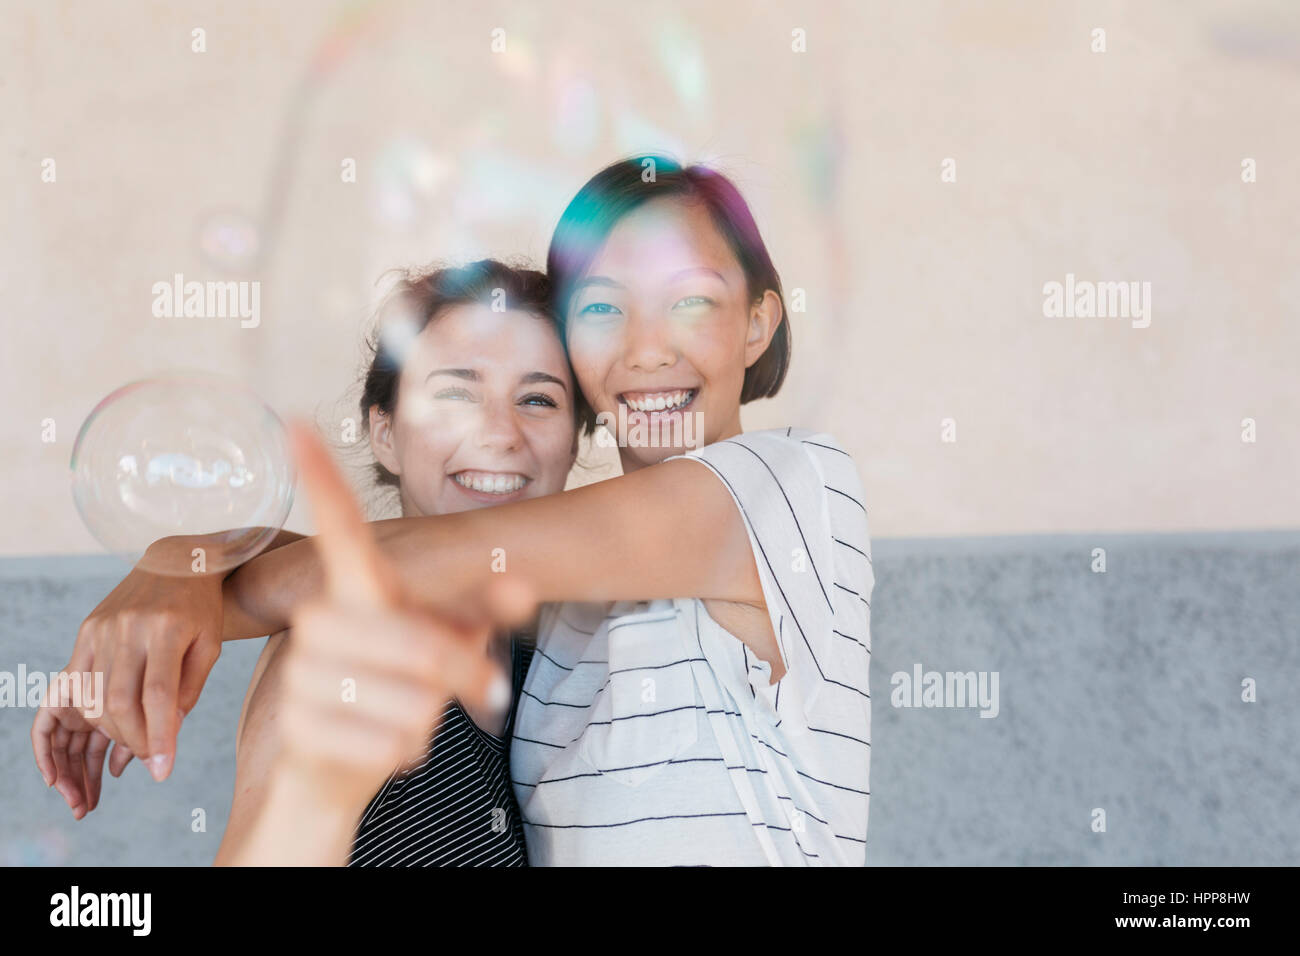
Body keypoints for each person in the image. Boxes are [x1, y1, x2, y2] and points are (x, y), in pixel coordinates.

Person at [37, 155, 874, 865]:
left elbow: (430, 556)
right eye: (604, 306)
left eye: (691, 299)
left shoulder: (790, 483)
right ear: (384, 433)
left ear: (760, 322)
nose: (648, 345)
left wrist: (182, 578)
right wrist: (182, 569)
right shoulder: (497, 621)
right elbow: (411, 563)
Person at [216, 260, 588, 865]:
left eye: (538, 398)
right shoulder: (339, 645)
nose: (499, 433)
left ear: (574, 442)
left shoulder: (550, 637)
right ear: (384, 433)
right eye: (455, 393)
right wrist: (317, 797)